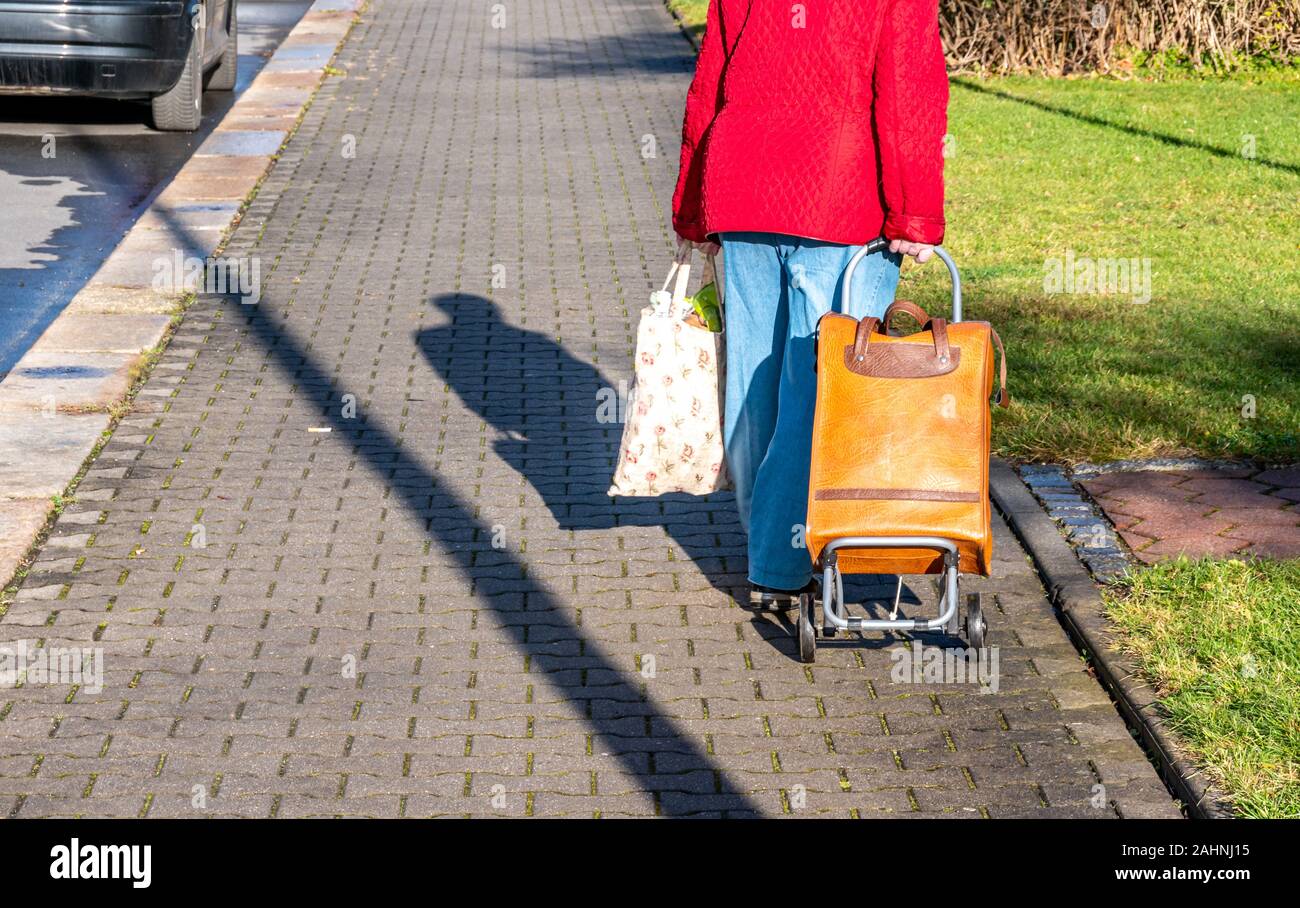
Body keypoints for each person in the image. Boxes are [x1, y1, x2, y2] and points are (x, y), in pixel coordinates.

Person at [671, 0, 949, 601]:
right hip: (842, 199)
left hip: (744, 184)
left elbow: (711, 79)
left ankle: (769, 544)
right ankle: (781, 557)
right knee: (823, 385)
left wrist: (694, 205)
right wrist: (916, 213)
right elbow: (909, 95)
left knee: (755, 380)